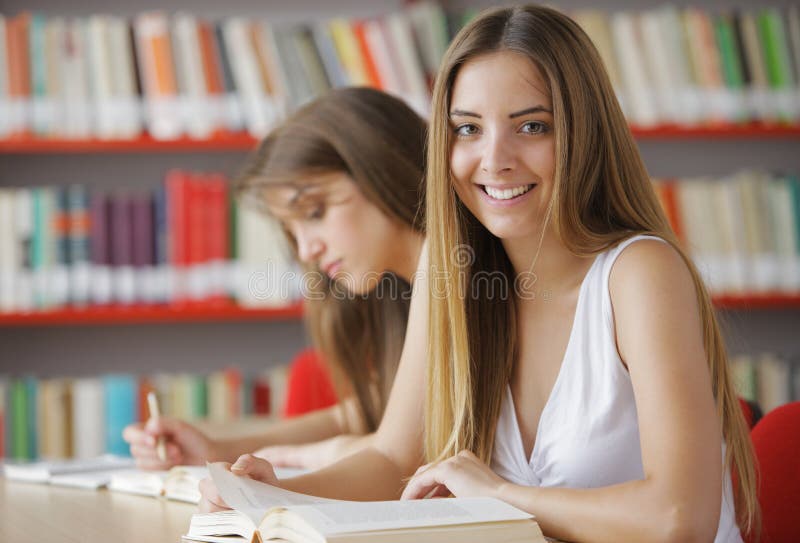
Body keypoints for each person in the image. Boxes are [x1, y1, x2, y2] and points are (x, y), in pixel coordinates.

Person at [201, 6, 759, 542]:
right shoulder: (450, 280)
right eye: (468, 130)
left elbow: (678, 519)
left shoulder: (640, 273)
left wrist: (497, 493)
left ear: (583, 135)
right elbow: (393, 459)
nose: (494, 159)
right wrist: (275, 495)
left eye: (532, 126)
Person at [123, 87, 426, 470]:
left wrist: (297, 458)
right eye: (291, 230)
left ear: (383, 168)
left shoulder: (458, 277)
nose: (306, 251)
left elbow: (403, 449)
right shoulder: (400, 291)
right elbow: (362, 413)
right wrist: (219, 450)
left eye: (315, 212)